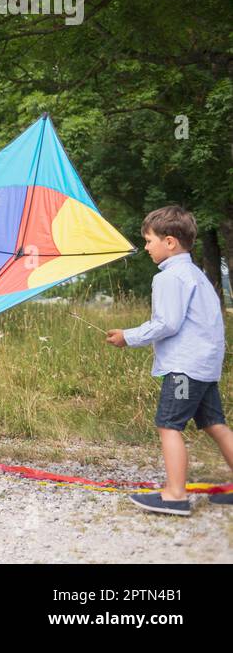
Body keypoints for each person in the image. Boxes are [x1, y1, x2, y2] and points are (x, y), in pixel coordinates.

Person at [106, 205, 233, 515]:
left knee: (168, 425)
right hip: (204, 366)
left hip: (184, 369)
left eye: (149, 240)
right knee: (215, 424)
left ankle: (175, 495)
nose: (146, 247)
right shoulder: (197, 275)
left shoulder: (169, 278)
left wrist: (129, 336)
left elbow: (167, 323)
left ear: (170, 242)